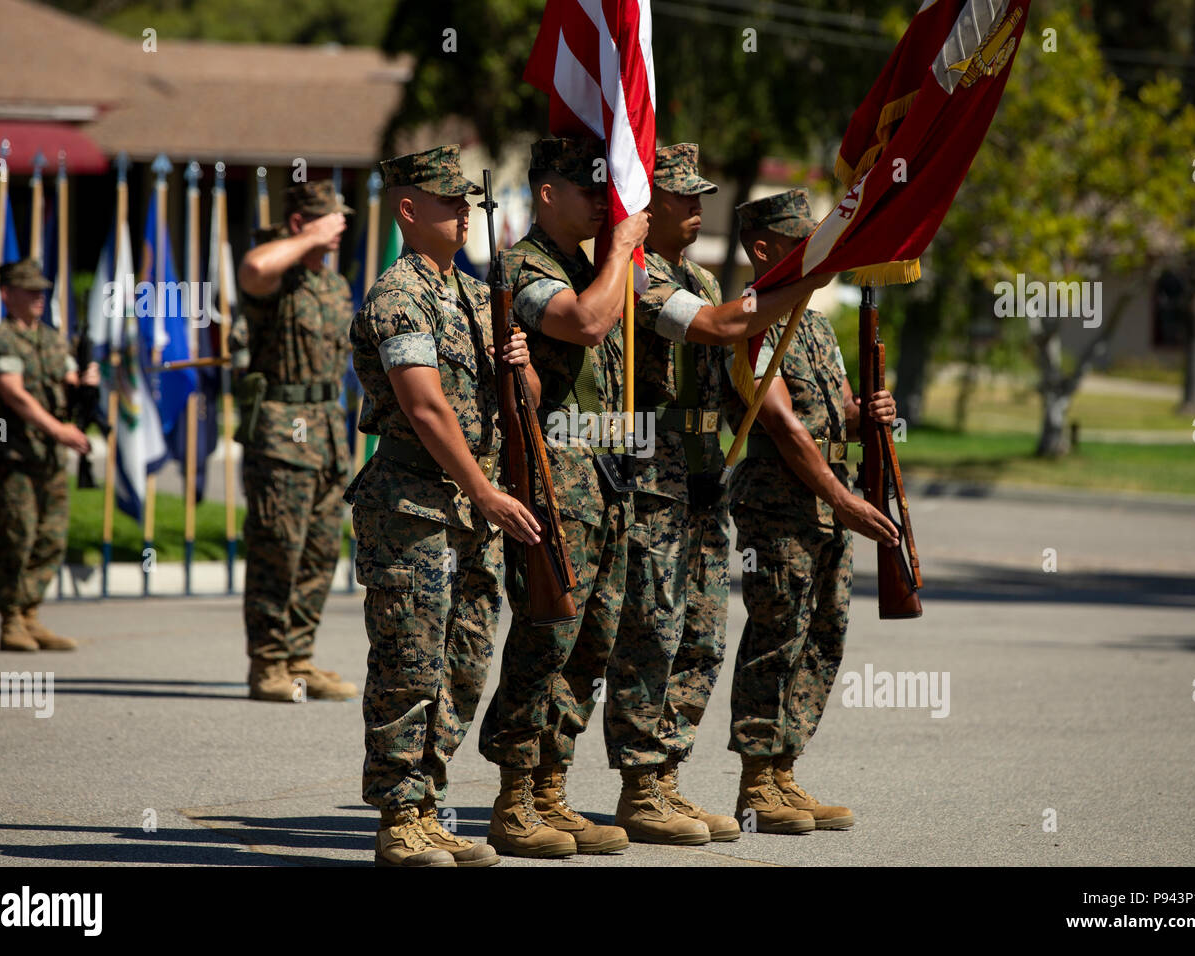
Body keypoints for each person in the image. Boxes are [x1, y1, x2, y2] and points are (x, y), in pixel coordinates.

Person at [605, 145, 832, 844]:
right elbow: (723, 328)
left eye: (700, 194)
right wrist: (809, 275)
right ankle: (641, 787)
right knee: (652, 635)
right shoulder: (639, 280)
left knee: (700, 638)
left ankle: (668, 779)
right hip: (651, 484)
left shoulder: (701, 276)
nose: (697, 207)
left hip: (705, 484)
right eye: (681, 196)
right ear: (646, 206)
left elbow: (746, 363)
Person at [348, 144, 539, 867]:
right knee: (409, 664)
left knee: (461, 664)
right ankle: (398, 818)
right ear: (408, 210)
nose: (464, 212)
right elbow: (425, 409)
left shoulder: (472, 293)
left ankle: (428, 805)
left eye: (467, 201)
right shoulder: (399, 295)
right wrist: (486, 490)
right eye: (449, 201)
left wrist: (520, 370)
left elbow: (522, 405)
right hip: (415, 511)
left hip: (470, 515)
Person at [476, 136, 648, 858]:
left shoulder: (583, 265)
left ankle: (552, 788)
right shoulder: (525, 267)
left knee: (594, 641)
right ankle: (513, 798)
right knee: (548, 632)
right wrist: (620, 254)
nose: (601, 208)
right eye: (587, 193)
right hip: (556, 481)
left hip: (605, 476)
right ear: (546, 193)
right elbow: (585, 323)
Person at [726, 189, 899, 832]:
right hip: (779, 505)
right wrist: (843, 498)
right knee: (776, 636)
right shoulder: (751, 320)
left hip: (827, 502)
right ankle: (754, 785)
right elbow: (784, 426)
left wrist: (867, 416)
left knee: (823, 637)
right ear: (766, 249)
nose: (819, 251)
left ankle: (783, 772)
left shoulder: (815, 321)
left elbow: (838, 416)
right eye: (804, 240)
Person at [233, 180, 357, 702]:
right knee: (276, 550)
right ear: (299, 223)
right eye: (328, 218)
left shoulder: (334, 286)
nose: (340, 226)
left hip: (328, 430)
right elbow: (254, 269)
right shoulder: (277, 278)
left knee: (319, 551)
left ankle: (300, 658)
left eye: (340, 218)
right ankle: (267, 664)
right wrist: (307, 240)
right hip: (283, 433)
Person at [0, 258, 94, 651]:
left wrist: (87, 383)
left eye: (41, 290)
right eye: (29, 290)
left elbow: (67, 379)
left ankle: (30, 614)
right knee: (16, 534)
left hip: (49, 457)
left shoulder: (53, 339)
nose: (39, 297)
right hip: (13, 454)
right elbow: (15, 394)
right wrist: (59, 429)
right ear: (7, 294)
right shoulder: (0, 340)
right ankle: (10, 619)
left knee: (51, 537)